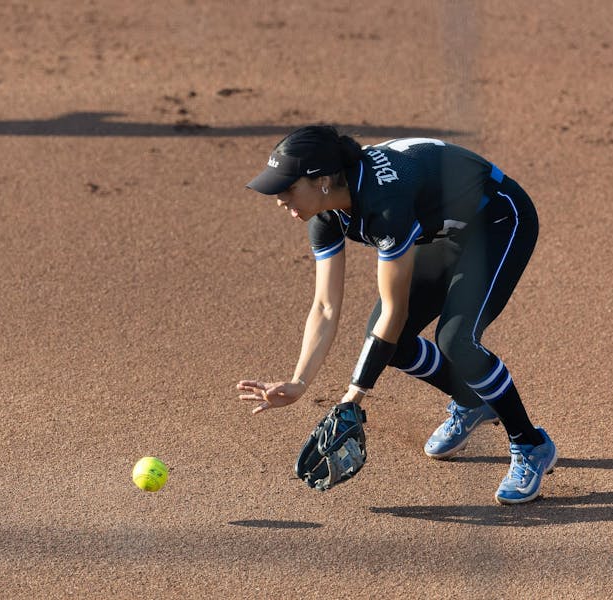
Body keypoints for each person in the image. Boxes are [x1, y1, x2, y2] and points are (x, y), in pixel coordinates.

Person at [237, 125, 557, 504]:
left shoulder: (385, 205)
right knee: (393, 343)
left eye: (287, 188)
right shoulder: (325, 215)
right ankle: (473, 401)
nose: (279, 199)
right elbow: (325, 306)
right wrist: (298, 382)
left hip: (498, 221)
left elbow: (395, 309)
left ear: (322, 181)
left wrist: (353, 397)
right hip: (446, 230)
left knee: (455, 341)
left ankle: (530, 443)